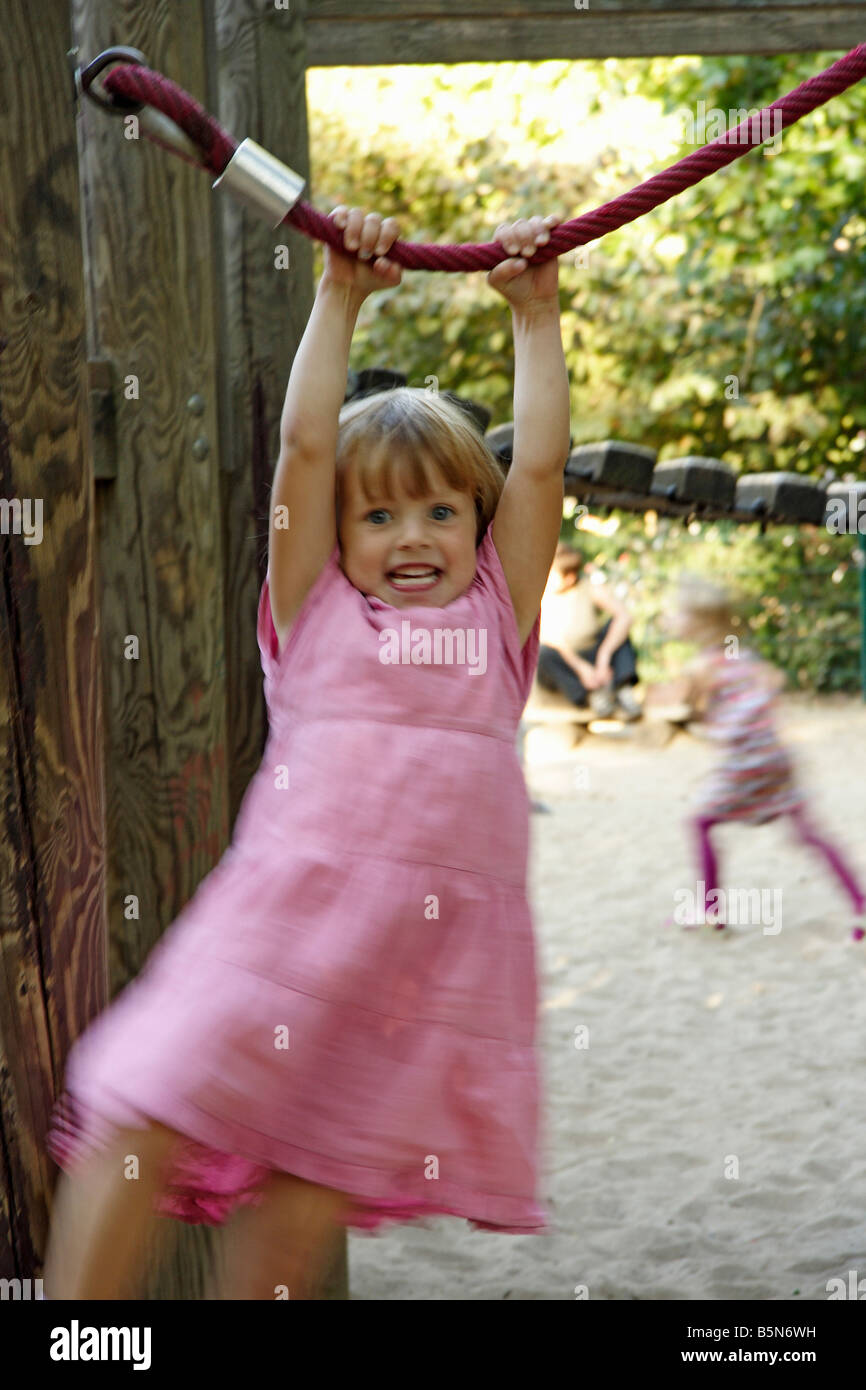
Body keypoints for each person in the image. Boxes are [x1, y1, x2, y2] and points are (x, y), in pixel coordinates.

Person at [43, 206, 570, 1299]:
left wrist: (534, 315)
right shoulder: (312, 609)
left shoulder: (495, 624)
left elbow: (539, 471)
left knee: (309, 1178)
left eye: (438, 510)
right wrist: (337, 293)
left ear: (474, 527)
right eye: (377, 517)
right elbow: (308, 445)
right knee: (144, 1100)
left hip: (411, 967)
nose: (412, 534)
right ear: (334, 536)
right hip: (281, 927)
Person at [668, 573, 865, 939]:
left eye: (677, 614)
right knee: (809, 832)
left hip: (743, 764)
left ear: (698, 622)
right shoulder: (743, 656)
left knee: (700, 822)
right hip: (775, 758)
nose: (672, 621)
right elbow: (774, 682)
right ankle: (861, 903)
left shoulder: (700, 667)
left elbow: (687, 710)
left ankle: (711, 912)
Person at [537, 542, 642, 719]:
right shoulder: (543, 596)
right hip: (567, 661)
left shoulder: (588, 588)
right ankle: (593, 697)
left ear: (569, 577)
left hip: (593, 654)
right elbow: (550, 638)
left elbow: (624, 617)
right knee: (545, 654)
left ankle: (623, 690)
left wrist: (604, 656)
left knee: (617, 630)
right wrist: (581, 668)